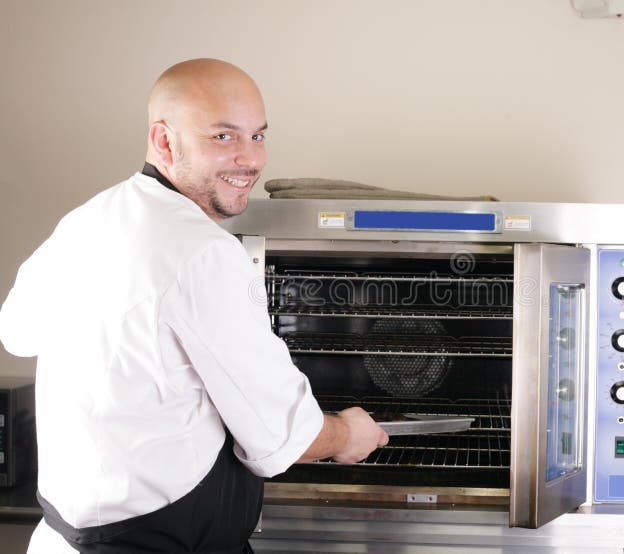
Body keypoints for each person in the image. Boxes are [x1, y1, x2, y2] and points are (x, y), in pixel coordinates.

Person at [0, 58, 389, 554]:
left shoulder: (89, 218)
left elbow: (16, 331)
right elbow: (279, 437)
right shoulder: (204, 251)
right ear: (164, 140)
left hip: (66, 540)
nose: (251, 159)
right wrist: (346, 433)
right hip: (156, 544)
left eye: (259, 136)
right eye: (223, 137)